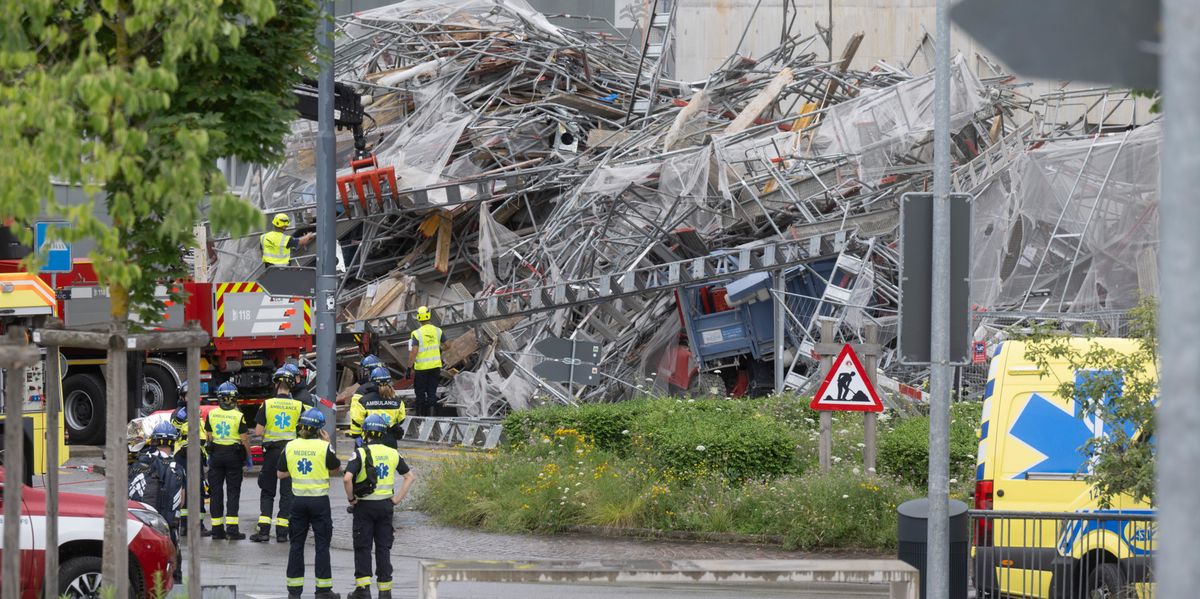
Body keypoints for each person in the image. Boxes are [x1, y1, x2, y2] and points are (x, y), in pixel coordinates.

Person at [343, 415, 415, 599]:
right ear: (383, 433)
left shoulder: (360, 452)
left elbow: (347, 478)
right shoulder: (392, 453)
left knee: (363, 546)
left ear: (366, 432)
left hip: (364, 506)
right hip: (385, 506)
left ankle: (363, 590)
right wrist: (397, 499)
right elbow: (410, 477)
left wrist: (351, 499)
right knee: (383, 547)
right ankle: (385, 591)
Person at [279, 408, 341, 598]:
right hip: (319, 502)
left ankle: (294, 592)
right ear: (319, 430)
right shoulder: (324, 447)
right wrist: (328, 444)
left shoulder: (290, 447)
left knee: (296, 545)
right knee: (322, 545)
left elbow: (280, 474)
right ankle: (323, 591)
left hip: (298, 502)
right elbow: (335, 470)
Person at [250, 368, 305, 543]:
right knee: (287, 492)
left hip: (272, 453)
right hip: (290, 452)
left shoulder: (267, 404)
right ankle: (282, 532)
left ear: (275, 384)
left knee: (267, 491)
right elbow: (303, 430)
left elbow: (258, 432)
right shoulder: (298, 405)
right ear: (291, 385)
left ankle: (264, 531)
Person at [129, 421, 186, 583]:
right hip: (163, 522)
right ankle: (174, 583)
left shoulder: (140, 461)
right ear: (173, 442)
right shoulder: (176, 467)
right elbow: (180, 501)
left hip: (137, 518)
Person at [205, 381, 253, 540]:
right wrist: (248, 458)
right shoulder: (238, 416)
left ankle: (217, 530)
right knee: (233, 493)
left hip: (216, 456)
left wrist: (211, 454)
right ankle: (232, 530)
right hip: (233, 457)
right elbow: (244, 440)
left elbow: (209, 437)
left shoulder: (211, 414)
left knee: (216, 493)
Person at [169, 404, 210, 538]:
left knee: (196, 491)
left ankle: (195, 525)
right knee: (188, 491)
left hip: (194, 455)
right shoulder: (180, 414)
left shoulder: (197, 414)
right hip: (184, 455)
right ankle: (187, 526)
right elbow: (176, 429)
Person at [408, 306, 447, 417]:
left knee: (420, 393)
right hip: (435, 367)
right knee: (432, 392)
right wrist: (440, 349)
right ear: (429, 316)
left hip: (421, 369)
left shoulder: (416, 333)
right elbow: (448, 345)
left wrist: (409, 367)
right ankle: (432, 417)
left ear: (418, 318)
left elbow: (413, 352)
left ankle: (420, 417)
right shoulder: (438, 331)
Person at [353, 367, 405, 449]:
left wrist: (356, 436)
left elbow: (356, 421)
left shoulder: (363, 401)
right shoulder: (398, 401)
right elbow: (401, 419)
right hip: (390, 440)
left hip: (369, 439)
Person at [347, 355, 382, 442]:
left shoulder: (362, 390)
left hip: (367, 433)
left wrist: (355, 435)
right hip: (385, 433)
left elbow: (356, 416)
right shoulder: (389, 390)